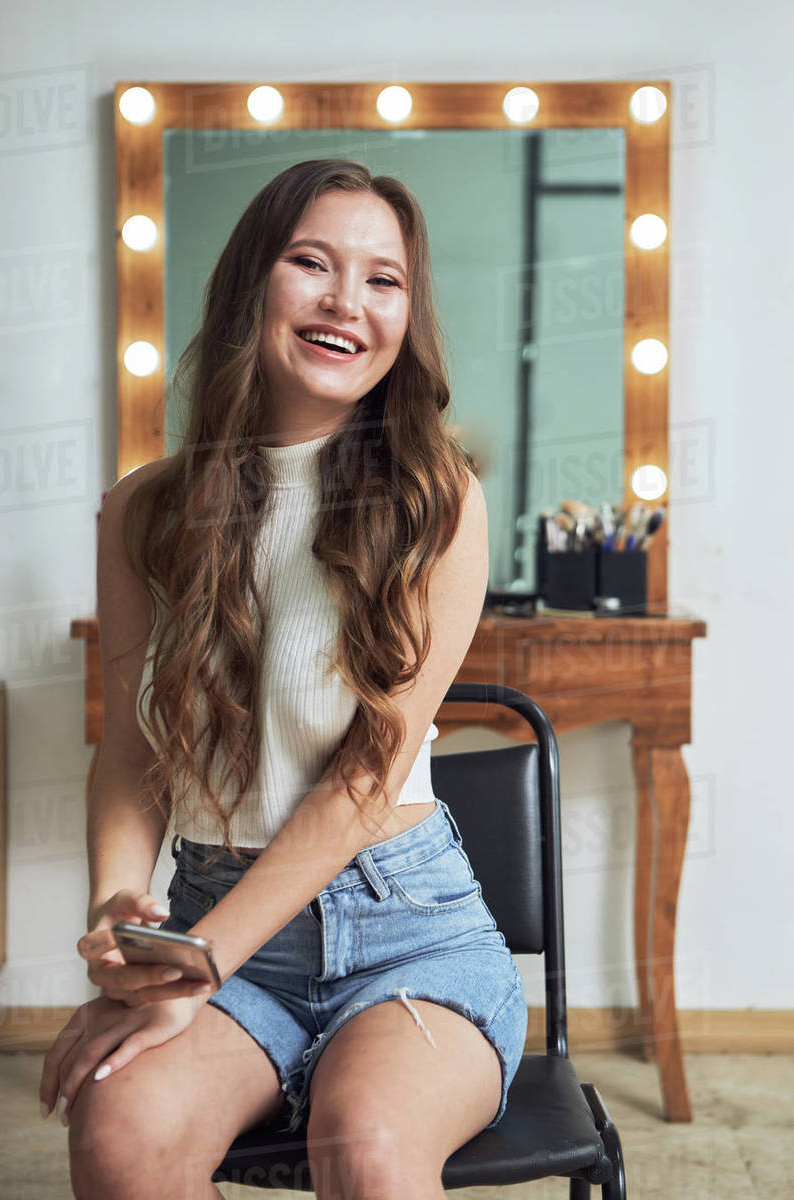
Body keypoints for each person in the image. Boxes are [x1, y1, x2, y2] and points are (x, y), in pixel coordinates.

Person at [39, 159, 528, 1200]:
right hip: (218, 913)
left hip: (410, 935)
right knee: (117, 1133)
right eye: (312, 262)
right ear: (251, 283)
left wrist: (198, 963)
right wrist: (126, 917)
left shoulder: (439, 501)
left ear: (409, 313)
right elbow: (127, 755)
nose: (347, 301)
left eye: (383, 279)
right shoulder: (141, 513)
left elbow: (365, 782)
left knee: (367, 1147)